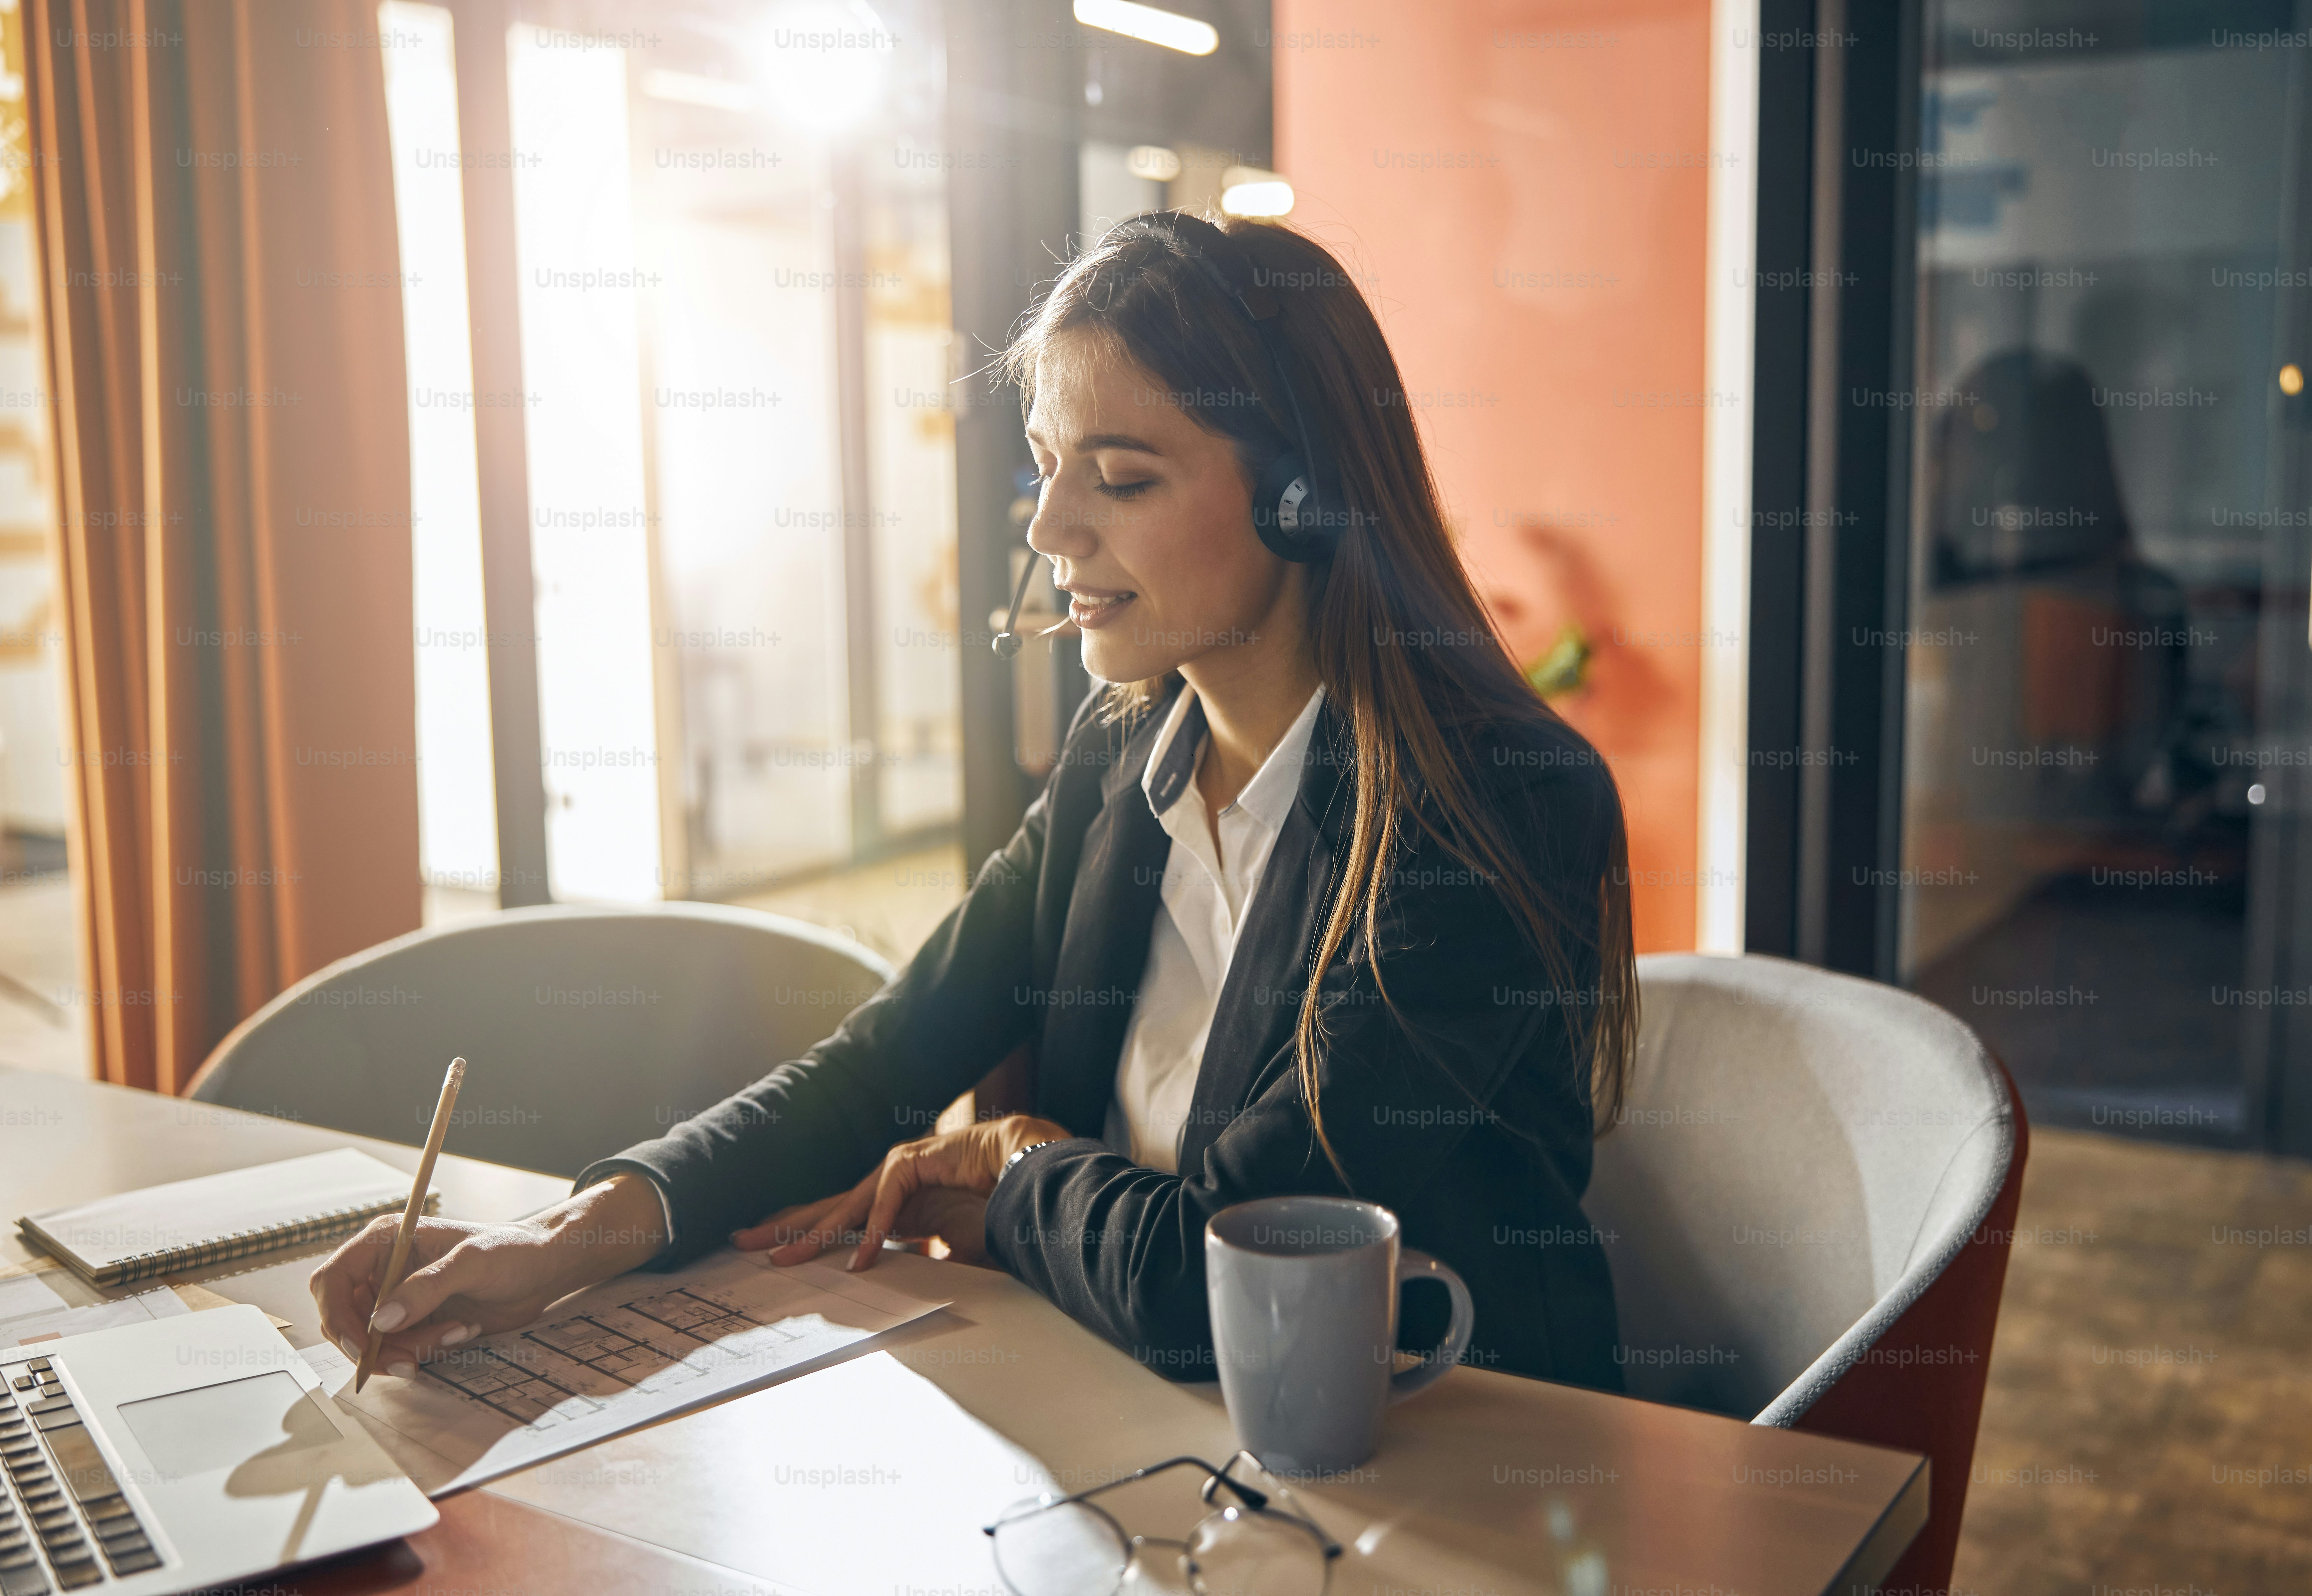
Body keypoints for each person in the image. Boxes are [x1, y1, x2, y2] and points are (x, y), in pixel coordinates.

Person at [311, 212, 1639, 1392]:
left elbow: (1229, 1285)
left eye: (1121, 477)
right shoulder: (1126, 758)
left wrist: (1012, 1171)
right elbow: (884, 1063)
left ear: (1303, 502)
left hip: (1457, 1472)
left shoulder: (1485, 809)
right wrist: (553, 1246)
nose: (1052, 526)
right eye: (1048, 466)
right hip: (1139, 1422)